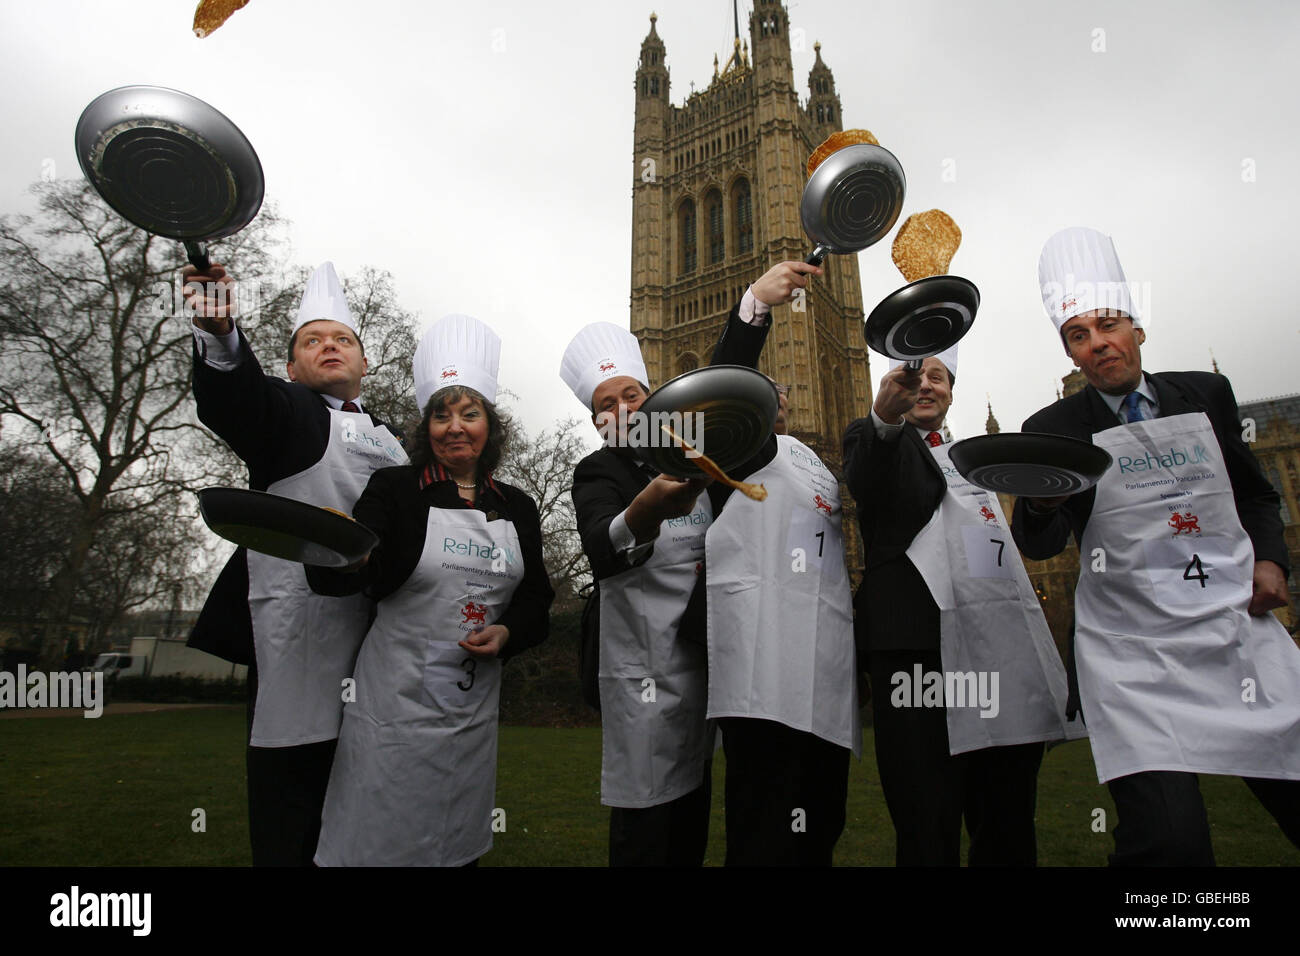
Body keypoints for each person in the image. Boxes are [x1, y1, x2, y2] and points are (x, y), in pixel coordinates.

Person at [1012, 225, 1300, 865]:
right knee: (1169, 844)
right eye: (1078, 336)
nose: (1098, 345)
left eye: (1108, 326)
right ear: (1072, 354)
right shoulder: (1052, 428)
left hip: (1230, 630)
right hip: (1132, 654)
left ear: (1136, 329)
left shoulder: (1205, 394)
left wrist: (1272, 560)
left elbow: (1254, 494)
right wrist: (1042, 501)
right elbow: (1037, 543)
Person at [306, 313, 552, 866]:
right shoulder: (394, 488)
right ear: (427, 428)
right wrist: (336, 548)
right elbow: (354, 571)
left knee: (453, 839)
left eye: (470, 413)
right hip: (394, 703)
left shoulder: (518, 505)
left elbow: (537, 598)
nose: (455, 427)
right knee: (378, 837)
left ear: (491, 425)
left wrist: (508, 632)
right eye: (441, 416)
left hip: (470, 707)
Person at [184, 261, 408, 866]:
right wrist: (220, 332)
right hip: (296, 631)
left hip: (376, 632)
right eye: (313, 340)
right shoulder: (284, 411)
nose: (329, 346)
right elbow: (237, 399)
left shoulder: (392, 440)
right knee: (295, 792)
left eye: (343, 340)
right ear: (290, 369)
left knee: (366, 789)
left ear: (364, 363)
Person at [842, 346, 1082, 866]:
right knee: (927, 819)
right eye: (911, 377)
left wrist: (1044, 504)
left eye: (937, 377)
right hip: (916, 656)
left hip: (999, 655)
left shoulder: (980, 462)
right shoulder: (873, 438)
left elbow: (1030, 543)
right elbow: (867, 477)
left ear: (952, 391)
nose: (925, 385)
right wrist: (885, 416)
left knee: (1008, 819)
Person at [698, 261, 860, 867]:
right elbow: (720, 395)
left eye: (782, 389)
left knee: (823, 823)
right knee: (765, 827)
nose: (780, 395)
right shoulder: (739, 451)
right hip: (762, 673)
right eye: (761, 392)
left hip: (824, 669)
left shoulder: (816, 463)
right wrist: (754, 307)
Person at [564, 321, 717, 866]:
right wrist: (644, 510)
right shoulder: (598, 470)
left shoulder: (694, 455)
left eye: (633, 395)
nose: (624, 408)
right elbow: (602, 546)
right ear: (598, 422)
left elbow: (728, 385)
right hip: (641, 667)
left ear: (654, 400)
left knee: (692, 808)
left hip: (701, 659)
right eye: (609, 404)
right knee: (645, 816)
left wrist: (754, 309)